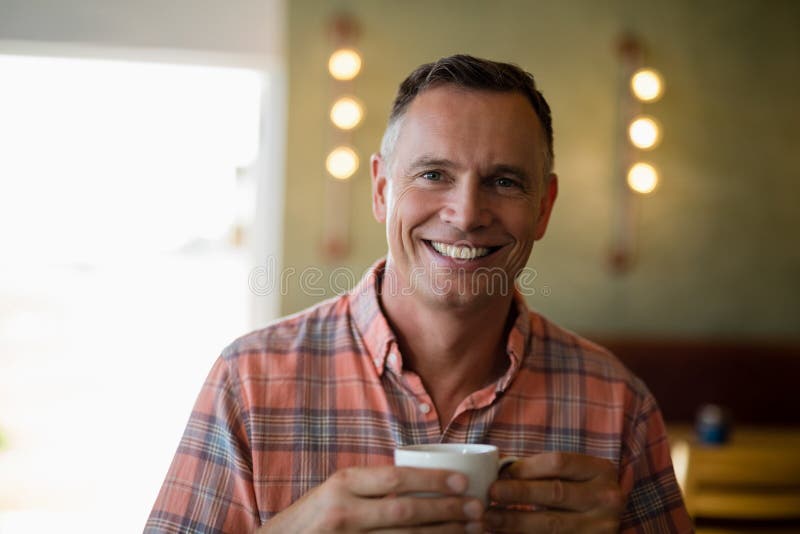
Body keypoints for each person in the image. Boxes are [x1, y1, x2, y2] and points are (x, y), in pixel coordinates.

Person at [146, 54, 692, 533]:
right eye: (433, 174)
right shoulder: (248, 381)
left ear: (544, 207)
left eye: (504, 181)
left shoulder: (619, 407)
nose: (465, 214)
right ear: (383, 191)